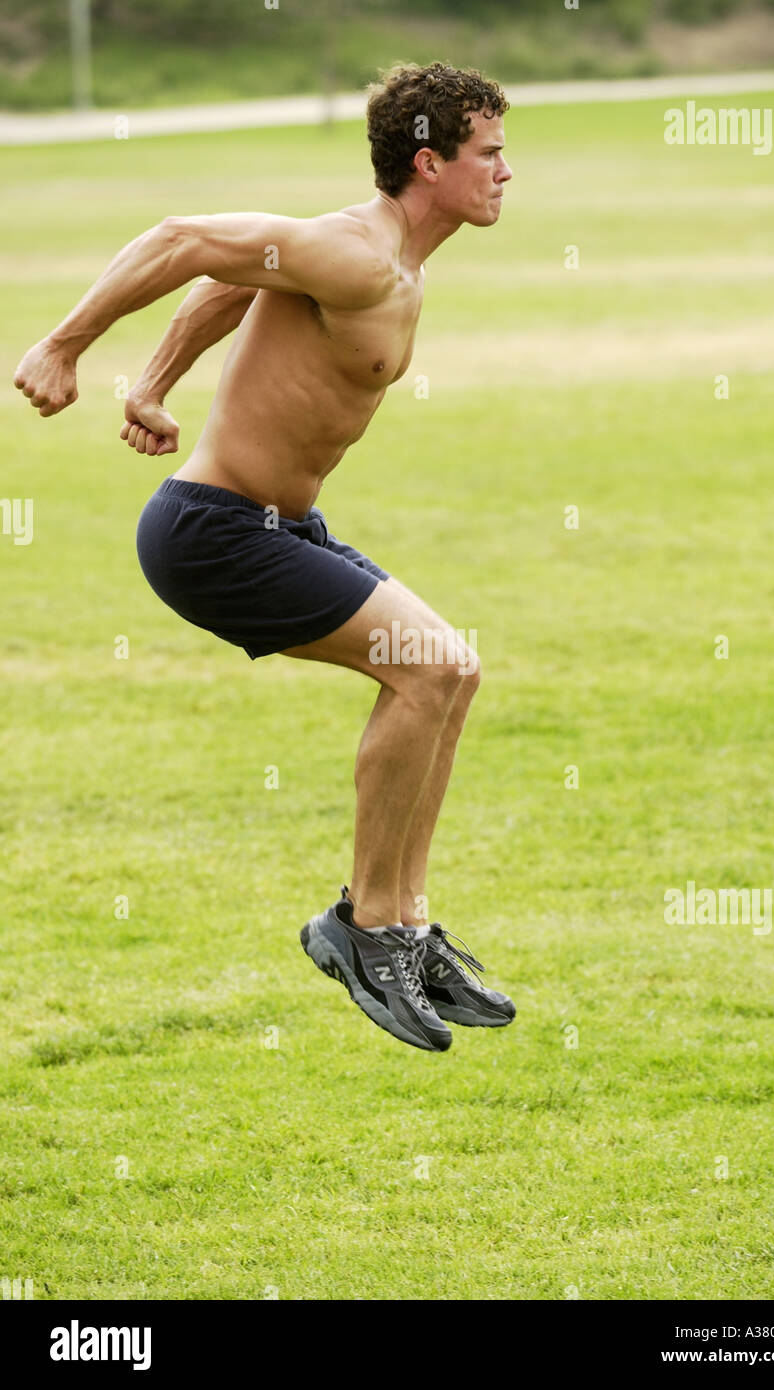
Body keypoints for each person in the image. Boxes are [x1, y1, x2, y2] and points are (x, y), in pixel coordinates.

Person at [13, 61, 516, 1053]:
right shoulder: (358, 254)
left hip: (279, 524)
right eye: (490, 154)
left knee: (454, 668)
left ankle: (405, 924)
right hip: (213, 530)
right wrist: (66, 347)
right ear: (431, 163)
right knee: (425, 666)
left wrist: (153, 384)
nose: (507, 173)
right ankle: (365, 928)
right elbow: (184, 240)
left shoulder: (379, 256)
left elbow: (233, 284)